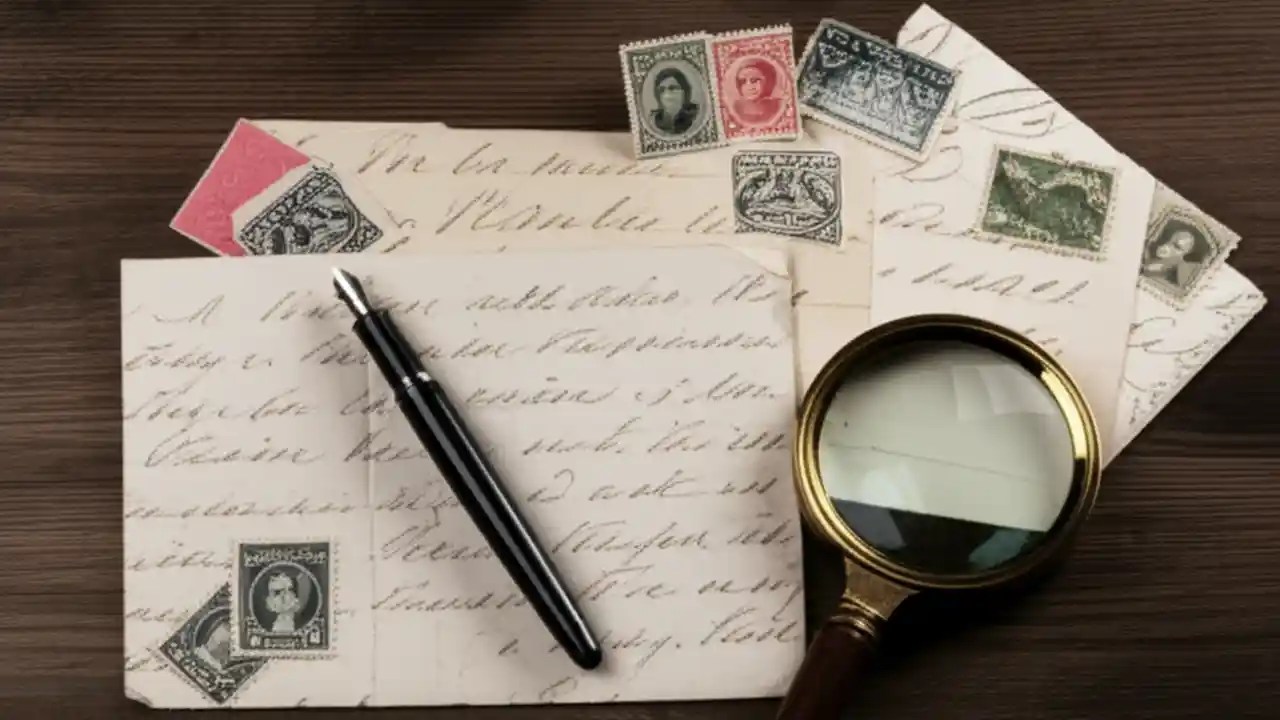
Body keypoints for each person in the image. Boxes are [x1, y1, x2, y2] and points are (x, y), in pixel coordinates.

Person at [730, 59, 782, 125]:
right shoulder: (736, 108)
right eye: (742, 82)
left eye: (754, 80)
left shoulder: (779, 106)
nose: (749, 87)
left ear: (769, 81)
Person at [650, 68, 698, 136]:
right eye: (662, 90)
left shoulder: (696, 119)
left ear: (685, 91)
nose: (667, 95)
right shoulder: (653, 121)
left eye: (672, 88)